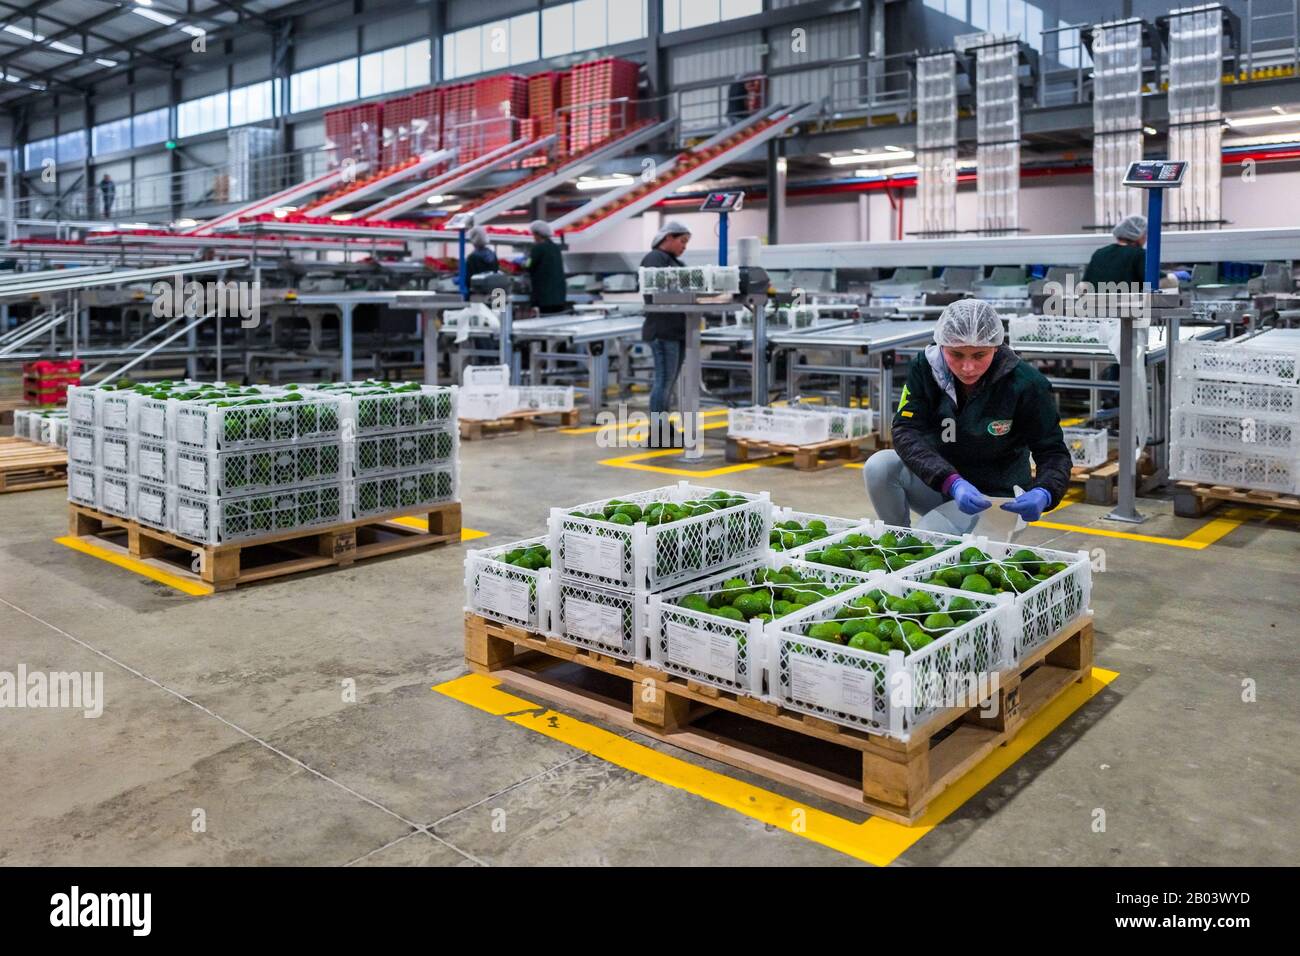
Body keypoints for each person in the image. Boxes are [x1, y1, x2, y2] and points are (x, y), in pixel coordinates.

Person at [865, 299, 1073, 534]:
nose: (968, 367)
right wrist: (951, 482)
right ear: (941, 344)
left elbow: (1053, 452)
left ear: (996, 346)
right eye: (956, 354)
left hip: (996, 502)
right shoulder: (926, 369)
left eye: (979, 355)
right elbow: (906, 429)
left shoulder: (1026, 385)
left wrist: (1044, 492)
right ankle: (896, 540)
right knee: (880, 466)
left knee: (937, 546)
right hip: (943, 485)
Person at [640, 220, 692, 449]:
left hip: (675, 330)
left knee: (668, 383)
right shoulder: (655, 259)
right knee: (663, 382)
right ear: (668, 237)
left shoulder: (672, 261)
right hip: (663, 330)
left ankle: (665, 429)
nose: (684, 246)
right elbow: (657, 294)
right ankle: (658, 434)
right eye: (682, 241)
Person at [1083, 214, 1146, 286]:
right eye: (1145, 235)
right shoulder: (1139, 254)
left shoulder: (1099, 253)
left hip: (1097, 297)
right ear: (1139, 236)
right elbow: (1157, 282)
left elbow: (1085, 286)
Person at [525, 219, 568, 315]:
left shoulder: (537, 248)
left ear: (538, 234)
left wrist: (522, 263)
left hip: (544, 297)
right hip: (559, 297)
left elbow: (528, 265)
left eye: (534, 235)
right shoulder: (556, 248)